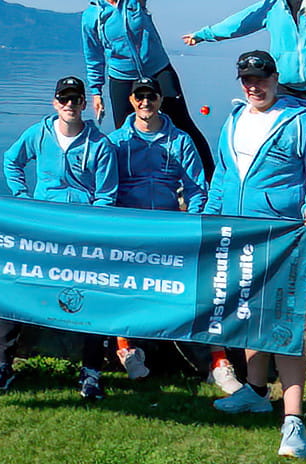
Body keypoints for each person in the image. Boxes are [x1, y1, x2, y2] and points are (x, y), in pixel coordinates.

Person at [192, 50, 306, 460]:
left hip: (280, 236)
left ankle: (294, 420)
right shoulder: (234, 119)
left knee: (282, 326)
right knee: (247, 315)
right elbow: (221, 175)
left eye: (260, 78)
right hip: (236, 233)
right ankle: (256, 392)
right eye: (246, 79)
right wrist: (210, 217)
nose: (253, 86)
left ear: (276, 78)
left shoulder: (301, 122)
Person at [0, 76, 118, 400]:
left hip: (81, 234)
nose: (70, 105)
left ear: (84, 104)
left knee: (92, 294)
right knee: (15, 285)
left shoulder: (101, 145)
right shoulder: (38, 134)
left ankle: (91, 372)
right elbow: (11, 160)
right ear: (55, 102)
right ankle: (1, 365)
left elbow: (106, 195)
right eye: (64, 99)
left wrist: (87, 222)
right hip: (41, 228)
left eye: (76, 99)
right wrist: (22, 196)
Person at [82, 0, 214, 179]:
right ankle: (125, 188)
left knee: (182, 124)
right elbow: (93, 56)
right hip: (121, 78)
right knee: (123, 136)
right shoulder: (91, 17)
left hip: (157, 69)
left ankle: (212, 181)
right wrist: (95, 91)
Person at [105, 75, 207, 381]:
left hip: (169, 229)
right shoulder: (116, 142)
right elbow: (105, 188)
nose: (145, 102)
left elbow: (196, 189)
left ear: (161, 100)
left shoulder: (181, 141)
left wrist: (195, 223)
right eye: (140, 97)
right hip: (129, 229)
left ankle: (215, 361)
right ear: (132, 101)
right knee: (121, 290)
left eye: (151, 97)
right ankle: (126, 349)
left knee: (194, 288)